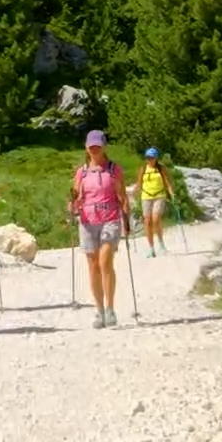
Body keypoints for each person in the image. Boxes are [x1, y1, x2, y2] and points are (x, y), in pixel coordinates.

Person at [71, 131, 130, 327]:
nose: (94, 148)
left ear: (104, 146)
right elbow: (76, 197)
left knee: (105, 261)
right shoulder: (82, 172)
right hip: (88, 220)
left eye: (97, 145)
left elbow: (121, 195)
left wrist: (126, 217)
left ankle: (110, 308)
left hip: (110, 218)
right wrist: (72, 206)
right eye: (91, 145)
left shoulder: (114, 169)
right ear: (86, 147)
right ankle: (99, 311)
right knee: (93, 265)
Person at [134, 145, 172, 255]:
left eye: (151, 157)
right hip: (146, 196)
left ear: (156, 158)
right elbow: (139, 183)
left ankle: (161, 245)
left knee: (156, 219)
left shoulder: (161, 168)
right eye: (148, 158)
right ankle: (151, 248)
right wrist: (135, 191)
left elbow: (167, 182)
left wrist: (171, 192)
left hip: (159, 195)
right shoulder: (143, 169)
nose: (149, 160)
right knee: (147, 221)